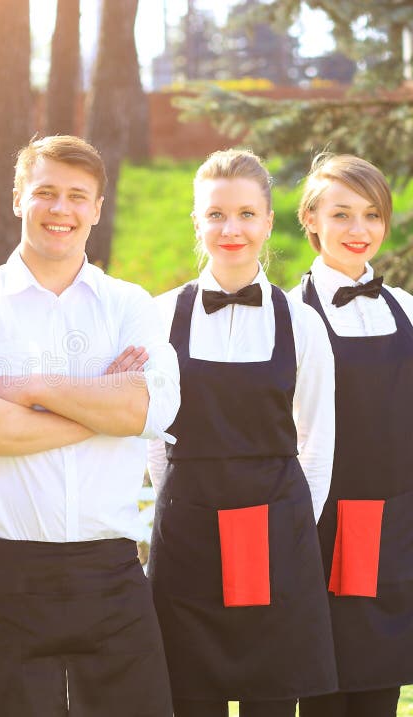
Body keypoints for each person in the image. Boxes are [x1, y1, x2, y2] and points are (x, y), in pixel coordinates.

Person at [0, 135, 179, 717]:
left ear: (95, 209)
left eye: (77, 196)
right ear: (18, 198)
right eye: (45, 192)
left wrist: (35, 389)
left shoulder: (129, 305)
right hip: (5, 577)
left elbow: (150, 412)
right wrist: (101, 409)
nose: (60, 209)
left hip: (112, 571)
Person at [146, 148, 338, 717]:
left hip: (277, 535)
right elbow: (153, 438)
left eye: (247, 214)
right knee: (189, 697)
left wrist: (291, 529)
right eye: (216, 214)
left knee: (271, 699)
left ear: (269, 222)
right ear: (197, 222)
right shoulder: (157, 317)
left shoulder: (303, 323)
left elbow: (318, 441)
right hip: (187, 538)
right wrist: (179, 504)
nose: (231, 229)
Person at [291, 154, 413, 717]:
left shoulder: (409, 310)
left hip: (396, 527)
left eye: (372, 215)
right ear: (311, 219)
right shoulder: (288, 316)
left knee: (381, 690)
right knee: (323, 688)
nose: (359, 230)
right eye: (341, 214)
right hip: (320, 525)